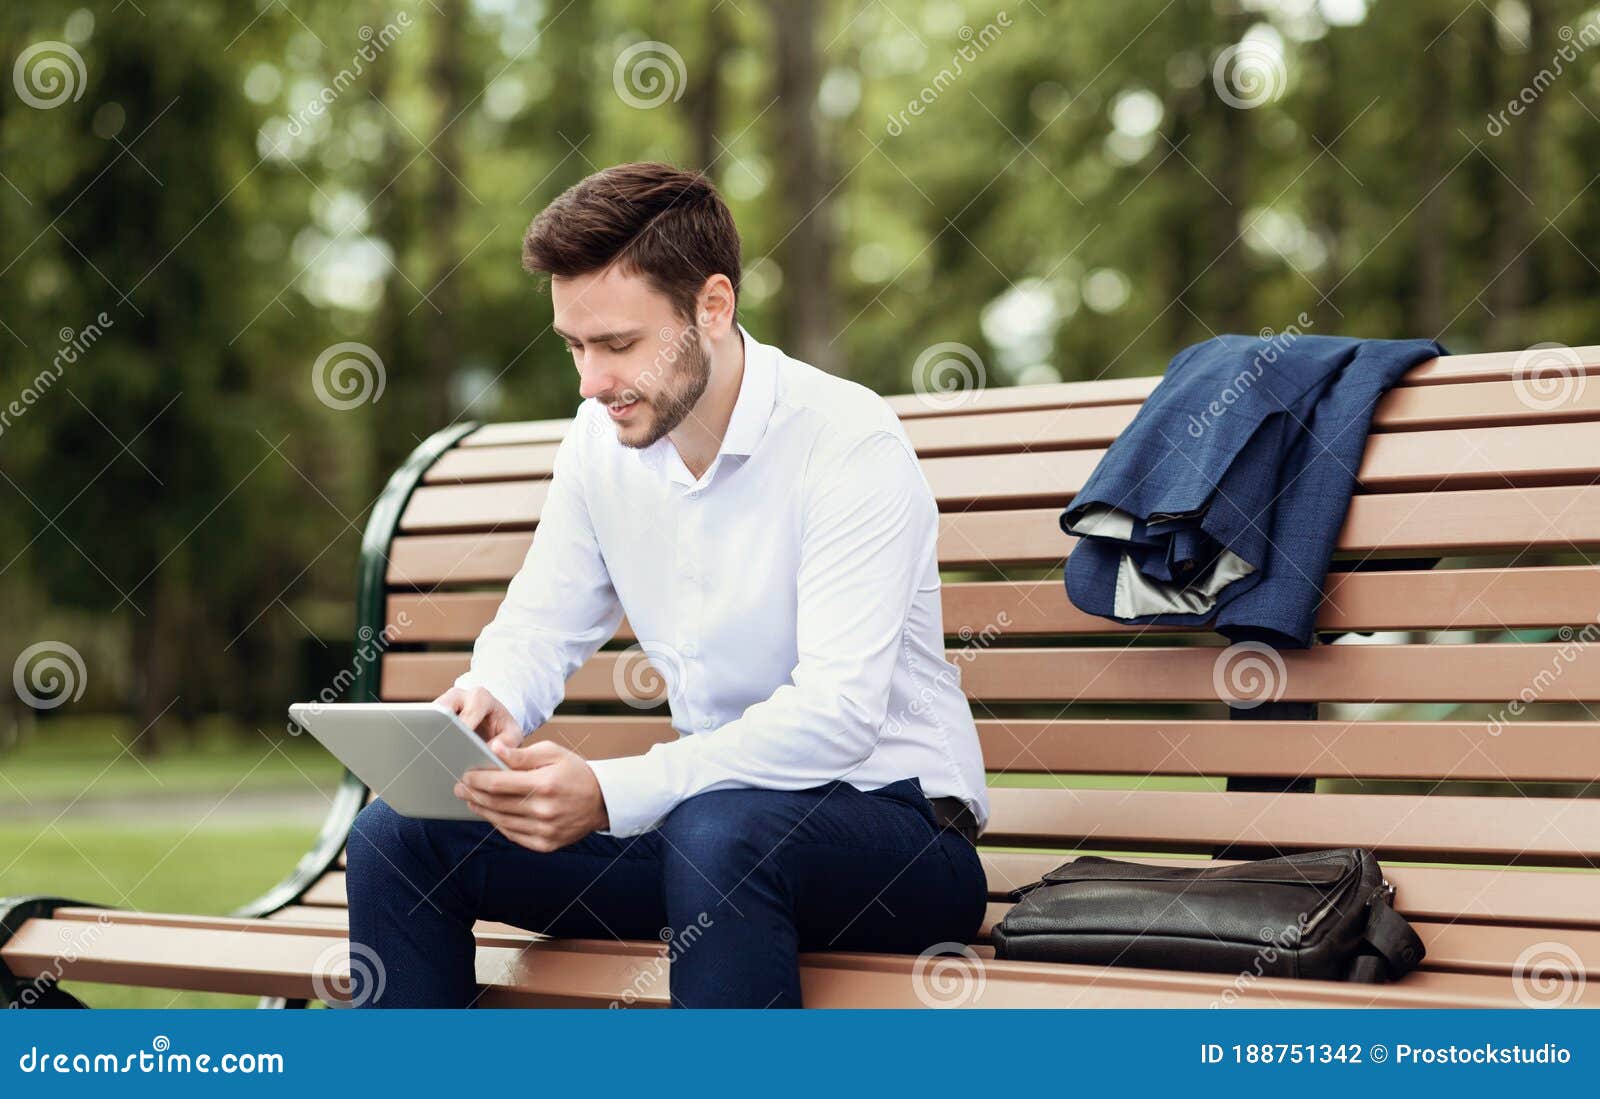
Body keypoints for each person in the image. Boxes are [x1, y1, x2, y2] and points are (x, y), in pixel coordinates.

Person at [345, 161, 990, 1008]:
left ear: (712, 308)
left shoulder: (848, 442)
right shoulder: (597, 444)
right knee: (398, 834)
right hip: (706, 846)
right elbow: (541, 624)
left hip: (899, 840)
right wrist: (492, 694)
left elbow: (837, 715)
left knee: (719, 833)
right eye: (574, 346)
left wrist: (611, 790)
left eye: (617, 344)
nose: (590, 382)